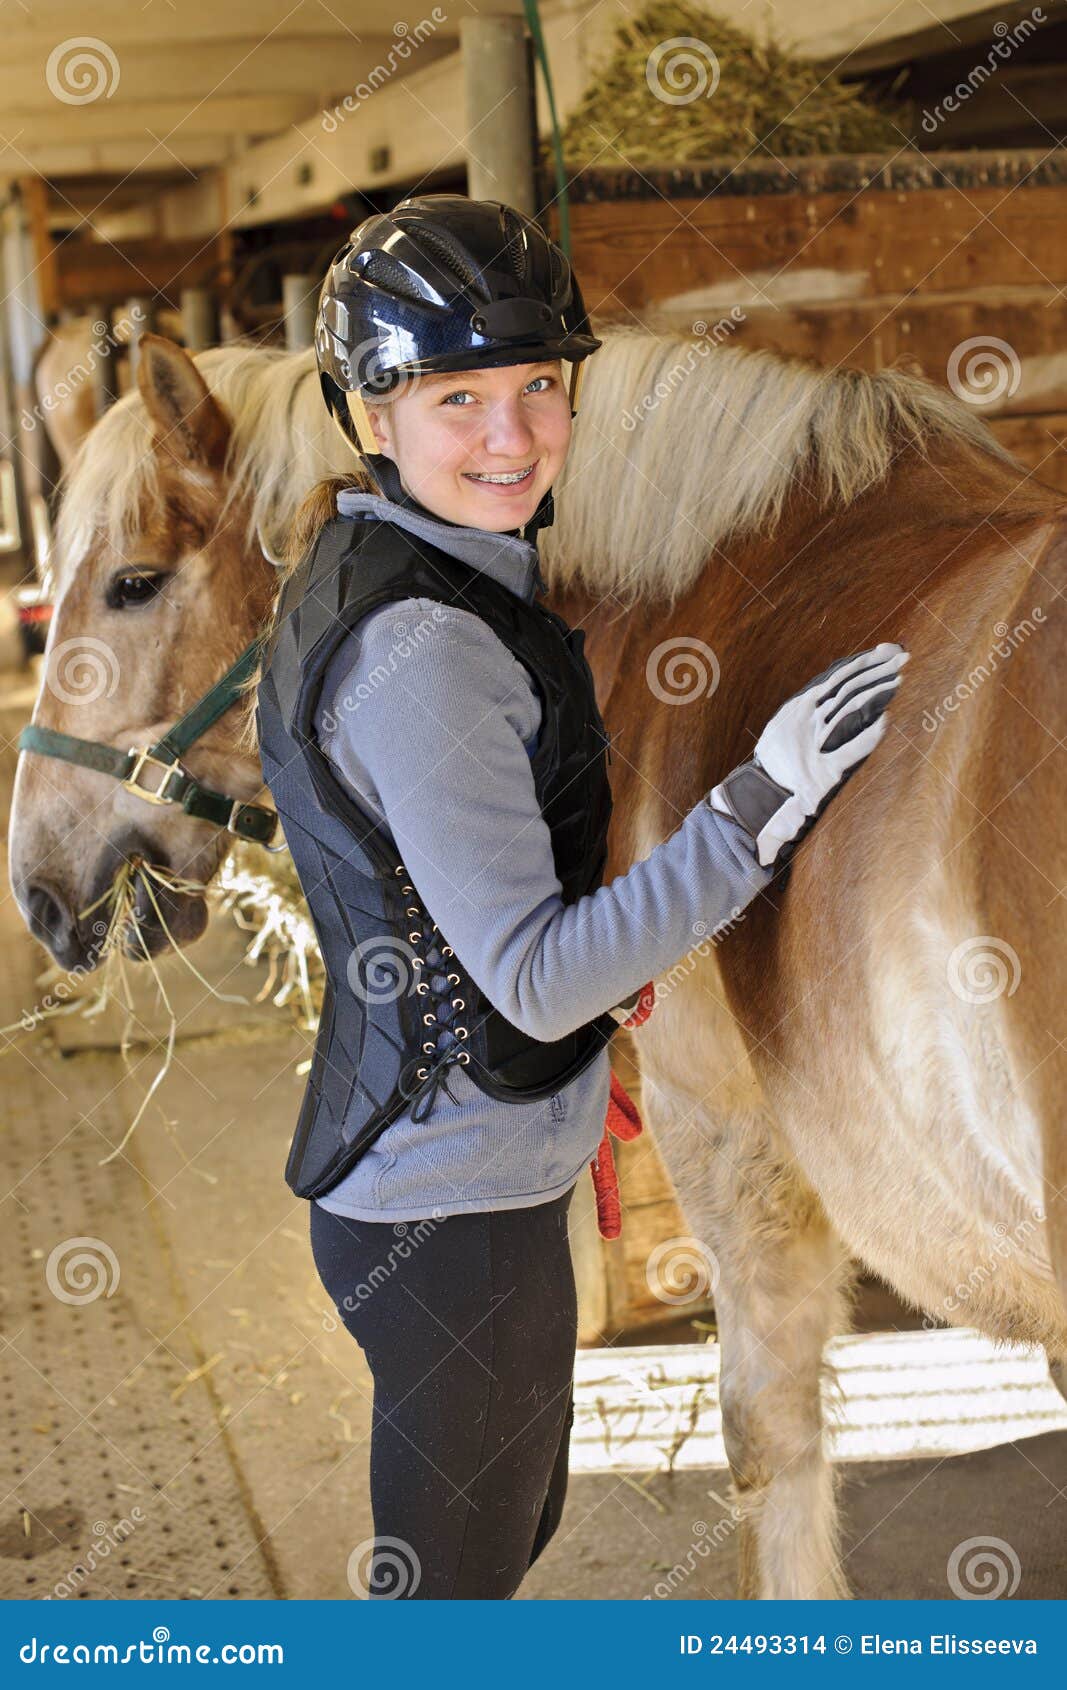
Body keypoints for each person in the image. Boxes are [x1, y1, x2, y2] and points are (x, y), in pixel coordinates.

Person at [254, 193, 909, 1600]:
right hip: (449, 1216)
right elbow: (539, 978)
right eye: (458, 398)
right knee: (449, 1599)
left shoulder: (428, 574)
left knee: (496, 1541)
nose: (513, 434)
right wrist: (762, 797)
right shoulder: (424, 645)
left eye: (539, 386)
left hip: (463, 1185)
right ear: (369, 416)